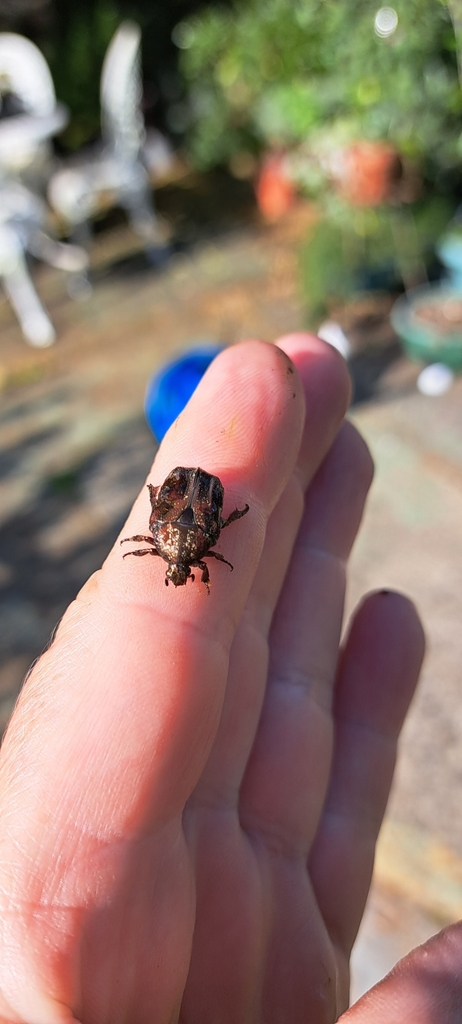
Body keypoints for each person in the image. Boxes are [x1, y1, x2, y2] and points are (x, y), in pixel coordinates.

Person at [0, 330, 454, 1024]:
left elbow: (177, 526)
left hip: (189, 511)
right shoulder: (184, 549)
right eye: (182, 569)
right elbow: (183, 527)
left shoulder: (177, 547)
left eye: (182, 568)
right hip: (191, 513)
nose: (181, 574)